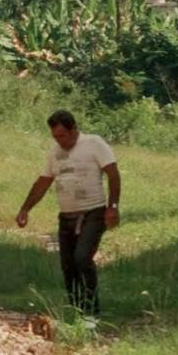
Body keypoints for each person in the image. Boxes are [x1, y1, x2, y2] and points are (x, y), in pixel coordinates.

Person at [11, 109, 121, 320]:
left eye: (63, 135)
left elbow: (113, 175)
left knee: (82, 258)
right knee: (68, 266)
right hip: (67, 216)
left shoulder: (94, 144)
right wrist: (25, 208)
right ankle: (77, 311)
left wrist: (113, 206)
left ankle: (92, 312)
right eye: (55, 137)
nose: (60, 141)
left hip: (93, 212)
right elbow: (43, 181)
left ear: (73, 129)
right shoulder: (55, 152)